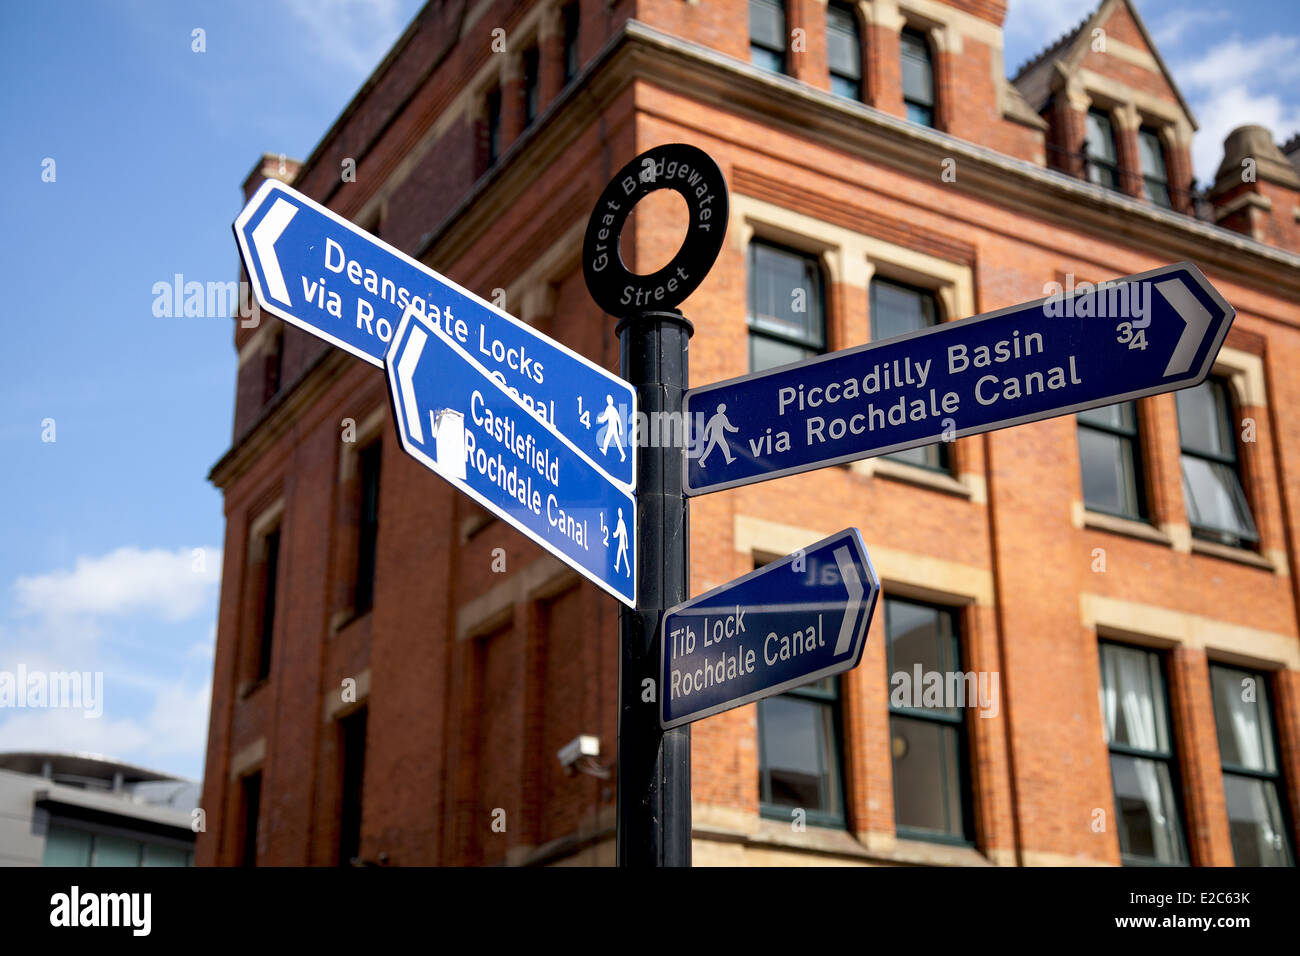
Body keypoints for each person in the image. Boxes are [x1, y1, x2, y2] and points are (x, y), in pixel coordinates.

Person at [596, 394, 626, 462]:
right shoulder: (608, 408)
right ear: (608, 401)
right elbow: (605, 417)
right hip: (611, 427)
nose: (610, 401)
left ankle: (623, 455)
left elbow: (618, 419)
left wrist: (621, 429)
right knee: (608, 438)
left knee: (617, 441)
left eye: (611, 399)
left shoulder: (612, 409)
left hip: (613, 427)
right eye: (609, 400)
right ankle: (605, 450)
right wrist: (600, 419)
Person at [613, 508, 630, 576]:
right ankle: (618, 566)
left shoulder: (621, 522)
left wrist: (626, 544)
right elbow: (618, 532)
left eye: (620, 512)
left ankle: (628, 570)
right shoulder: (620, 521)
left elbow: (624, 533)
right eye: (619, 513)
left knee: (624, 556)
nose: (619, 514)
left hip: (622, 542)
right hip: (621, 542)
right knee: (620, 554)